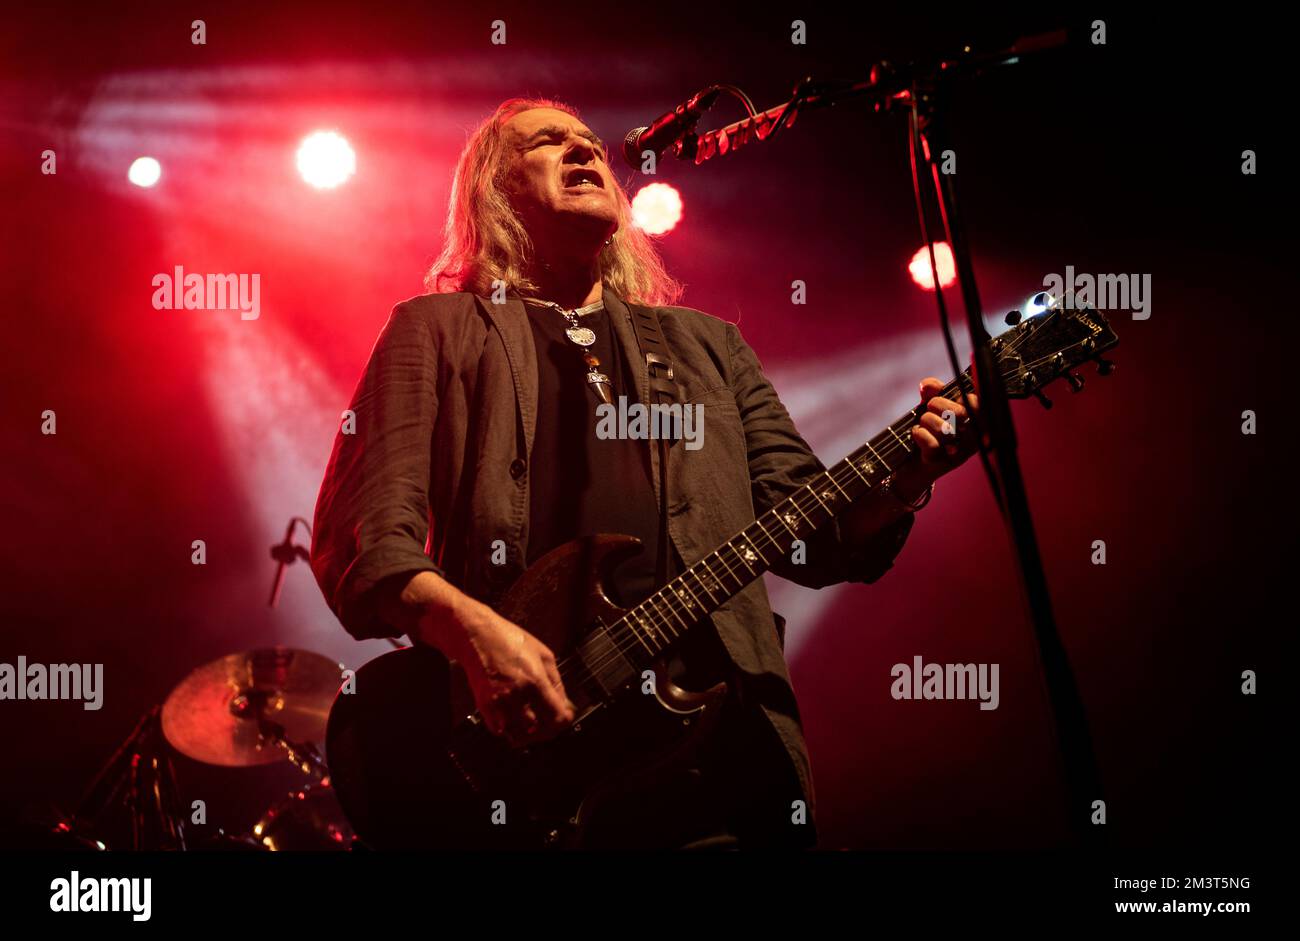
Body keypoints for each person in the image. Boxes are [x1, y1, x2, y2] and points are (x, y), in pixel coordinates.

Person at [310, 97, 981, 849]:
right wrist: (472, 634)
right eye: (548, 142)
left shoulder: (708, 347)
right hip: (516, 765)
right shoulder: (435, 329)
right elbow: (363, 536)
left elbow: (814, 531)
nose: (582, 151)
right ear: (495, 190)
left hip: (719, 761)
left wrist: (904, 478)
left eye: (590, 142)